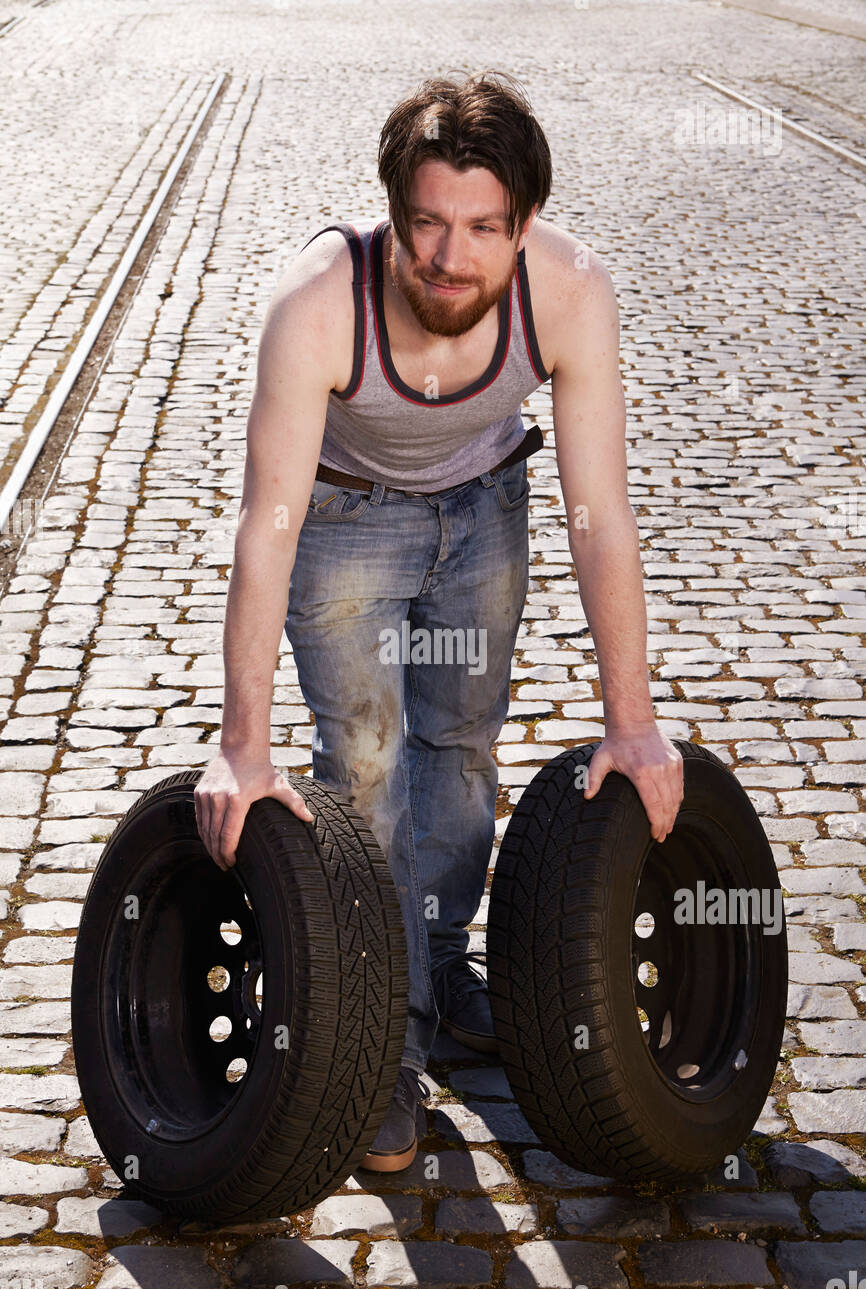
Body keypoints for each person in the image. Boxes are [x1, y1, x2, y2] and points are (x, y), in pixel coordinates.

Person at [194, 69, 684, 1172]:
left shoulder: (569, 291)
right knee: (364, 770)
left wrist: (632, 721)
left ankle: (436, 960)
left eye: (480, 229)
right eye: (425, 224)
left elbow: (598, 514)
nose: (449, 259)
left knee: (460, 754)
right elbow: (262, 527)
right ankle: (377, 1043)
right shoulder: (317, 301)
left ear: (524, 228)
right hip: (339, 517)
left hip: (480, 512)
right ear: (390, 214)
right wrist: (239, 747)